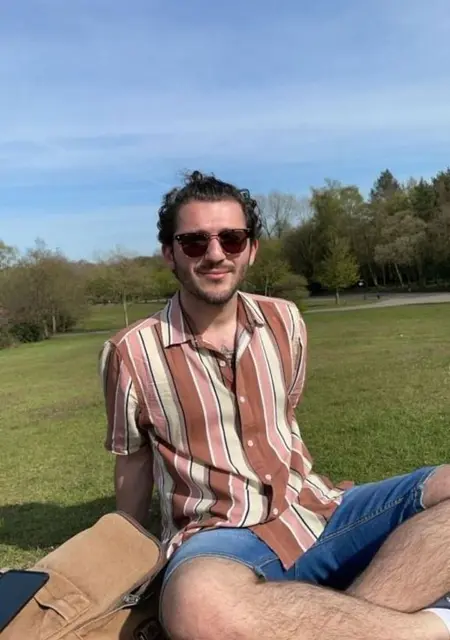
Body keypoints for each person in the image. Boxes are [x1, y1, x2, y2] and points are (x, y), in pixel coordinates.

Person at [99, 170, 450, 640]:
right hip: (222, 539)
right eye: (195, 242)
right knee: (196, 605)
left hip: (320, 510)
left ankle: (326, 622)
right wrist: (124, 559)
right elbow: (133, 461)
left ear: (251, 249)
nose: (216, 253)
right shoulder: (131, 353)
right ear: (170, 253)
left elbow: (286, 413)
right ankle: (427, 628)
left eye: (232, 238)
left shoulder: (286, 321)